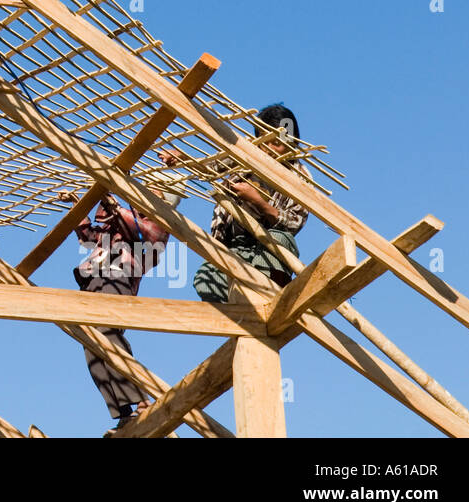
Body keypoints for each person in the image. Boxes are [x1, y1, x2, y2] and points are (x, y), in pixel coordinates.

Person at [160, 103, 311, 302]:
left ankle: (269, 297)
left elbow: (294, 223)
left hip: (268, 244)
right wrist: (184, 159)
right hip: (235, 246)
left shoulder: (299, 175)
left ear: (291, 141)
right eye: (266, 140)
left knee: (281, 240)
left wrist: (258, 202)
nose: (270, 149)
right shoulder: (249, 153)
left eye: (278, 142)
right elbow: (213, 167)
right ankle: (240, 310)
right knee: (205, 279)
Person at [63, 187, 176, 434]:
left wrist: (114, 206)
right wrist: (79, 207)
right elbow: (87, 236)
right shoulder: (116, 223)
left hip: (118, 279)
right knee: (91, 345)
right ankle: (124, 413)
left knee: (108, 333)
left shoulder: (159, 226)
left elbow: (138, 231)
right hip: (93, 281)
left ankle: (141, 398)